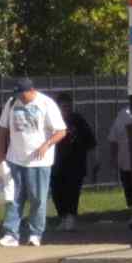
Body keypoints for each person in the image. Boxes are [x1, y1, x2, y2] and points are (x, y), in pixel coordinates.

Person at [0, 77, 67, 247]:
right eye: (17, 94)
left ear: (31, 91)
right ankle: (11, 234)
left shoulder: (46, 104)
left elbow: (61, 131)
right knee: (13, 197)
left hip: (39, 161)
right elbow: (3, 128)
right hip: (15, 158)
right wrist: (1, 152)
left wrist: (46, 144)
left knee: (38, 199)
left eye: (22, 94)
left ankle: (35, 234)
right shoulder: (12, 102)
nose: (20, 97)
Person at [51, 93, 97, 233]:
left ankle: (71, 217)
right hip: (56, 163)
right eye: (63, 106)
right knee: (57, 191)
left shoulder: (78, 120)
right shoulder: (52, 121)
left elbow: (90, 142)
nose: (67, 109)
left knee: (72, 191)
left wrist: (94, 159)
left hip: (75, 162)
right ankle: (63, 217)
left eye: (69, 106)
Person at [107, 104, 132, 228]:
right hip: (126, 161)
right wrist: (113, 158)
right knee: (129, 189)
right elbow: (113, 139)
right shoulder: (123, 115)